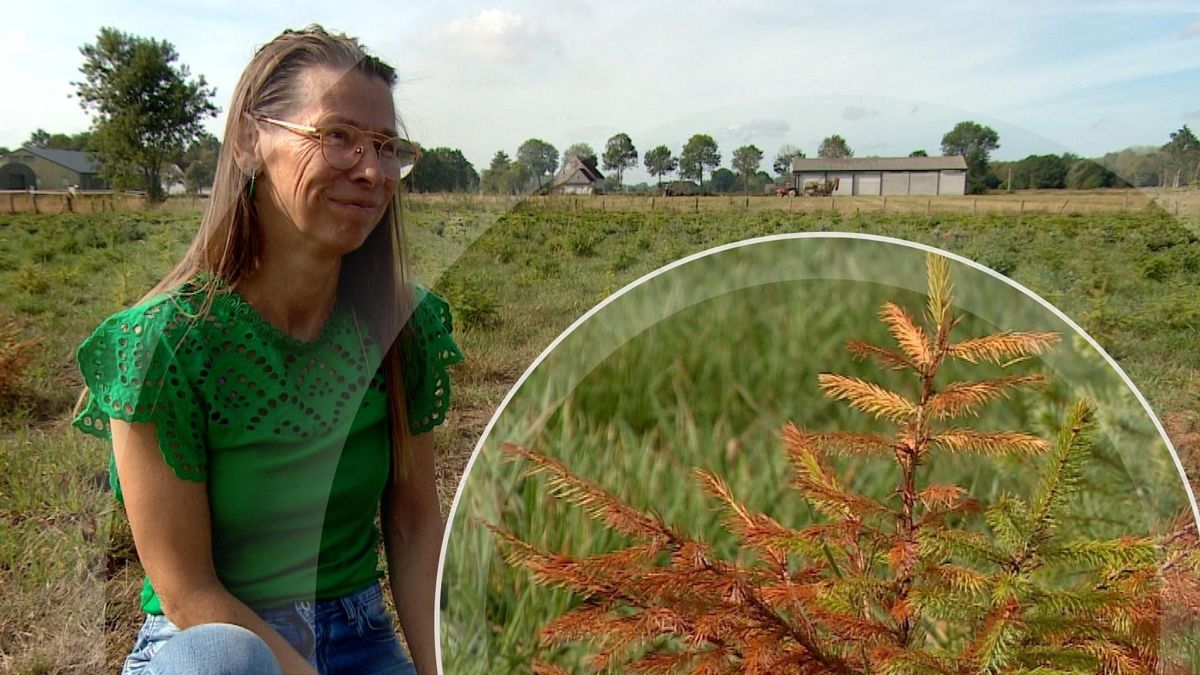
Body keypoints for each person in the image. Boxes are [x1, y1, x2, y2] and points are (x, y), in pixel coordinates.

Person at [70, 25, 461, 675]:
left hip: (359, 636)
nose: (371, 170)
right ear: (251, 141)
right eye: (337, 136)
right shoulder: (159, 343)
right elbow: (186, 589)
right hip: (215, 641)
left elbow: (417, 525)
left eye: (386, 146)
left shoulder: (401, 324)